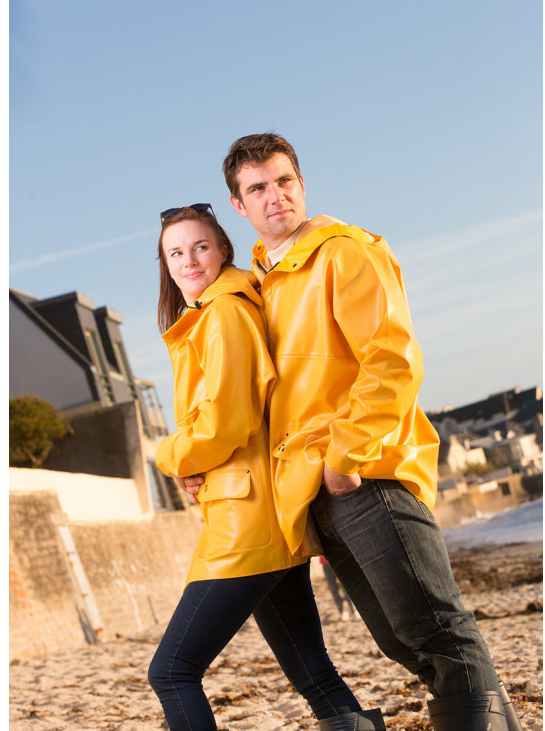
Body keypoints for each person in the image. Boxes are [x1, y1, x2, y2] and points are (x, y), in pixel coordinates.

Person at [180, 135, 525, 731]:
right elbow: (248, 400)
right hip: (311, 488)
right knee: (398, 639)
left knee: (436, 630)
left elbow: (392, 360)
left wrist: (346, 455)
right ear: (239, 204)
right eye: (258, 188)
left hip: (366, 476)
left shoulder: (344, 253)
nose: (275, 196)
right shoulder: (257, 282)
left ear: (301, 183)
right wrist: (201, 463)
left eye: (284, 181)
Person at [147, 204, 384, 731]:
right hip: (258, 513)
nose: (189, 261)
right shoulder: (213, 312)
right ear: (165, 264)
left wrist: (171, 455)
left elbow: (227, 422)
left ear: (223, 249)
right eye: (176, 253)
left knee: (172, 672)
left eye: (200, 247)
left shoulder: (223, 313)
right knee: (313, 673)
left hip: (246, 525)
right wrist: (192, 461)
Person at [319, 556, 358, 622]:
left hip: (339, 560)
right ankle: (342, 611)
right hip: (326, 563)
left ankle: (354, 610)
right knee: (333, 588)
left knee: (346, 587)